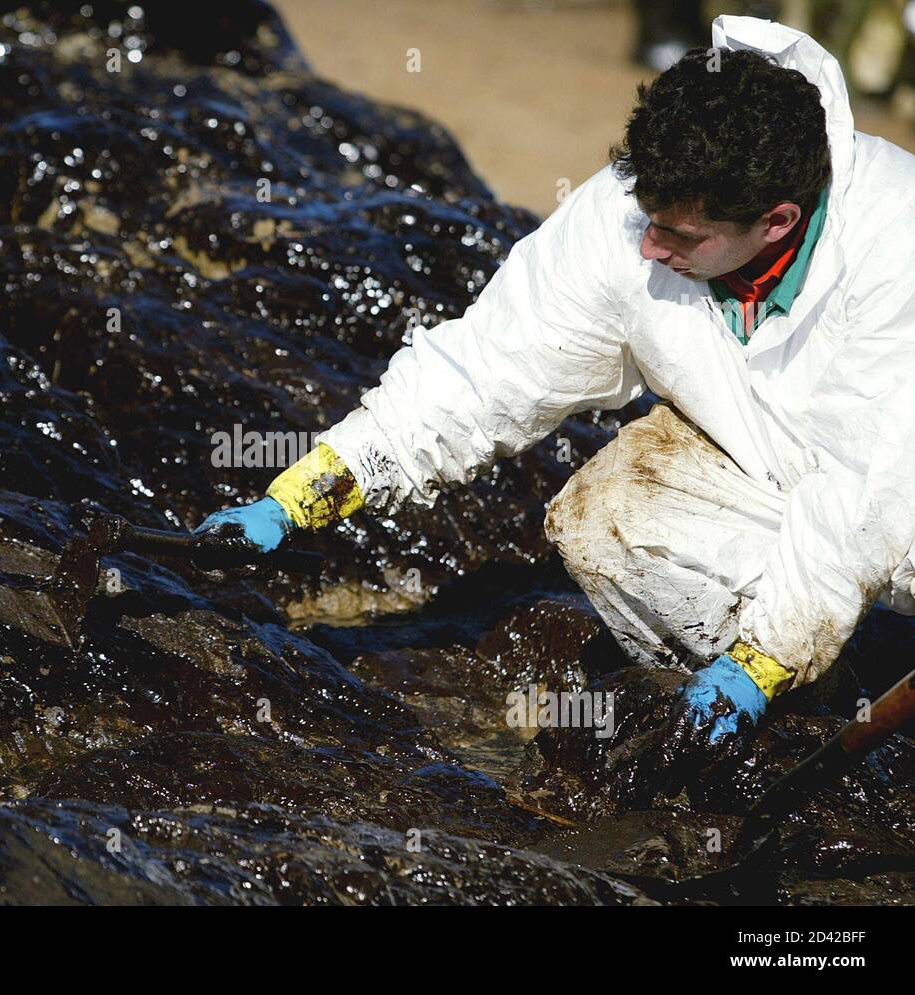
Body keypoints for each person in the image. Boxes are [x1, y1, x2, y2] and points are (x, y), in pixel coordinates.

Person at [195, 16, 915, 755]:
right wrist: (304, 492)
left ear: (777, 221)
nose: (648, 246)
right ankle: (812, 709)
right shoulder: (642, 212)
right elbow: (487, 367)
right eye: (648, 218)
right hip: (783, 476)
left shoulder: (895, 244)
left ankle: (790, 675)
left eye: (680, 239)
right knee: (607, 511)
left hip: (898, 506)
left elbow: (864, 492)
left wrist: (768, 660)